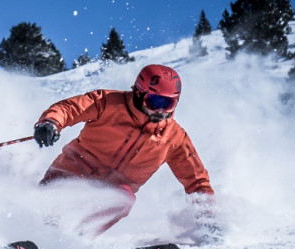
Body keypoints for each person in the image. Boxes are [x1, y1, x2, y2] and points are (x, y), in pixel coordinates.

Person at [31, 63, 214, 239]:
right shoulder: (108, 103)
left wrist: (209, 218)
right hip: (72, 170)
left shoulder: (174, 138)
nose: (160, 110)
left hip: (111, 190)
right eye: (154, 101)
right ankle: (29, 229)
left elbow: (197, 181)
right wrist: (51, 123)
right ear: (139, 93)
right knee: (46, 209)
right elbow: (70, 108)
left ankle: (77, 238)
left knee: (123, 199)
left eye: (168, 104)